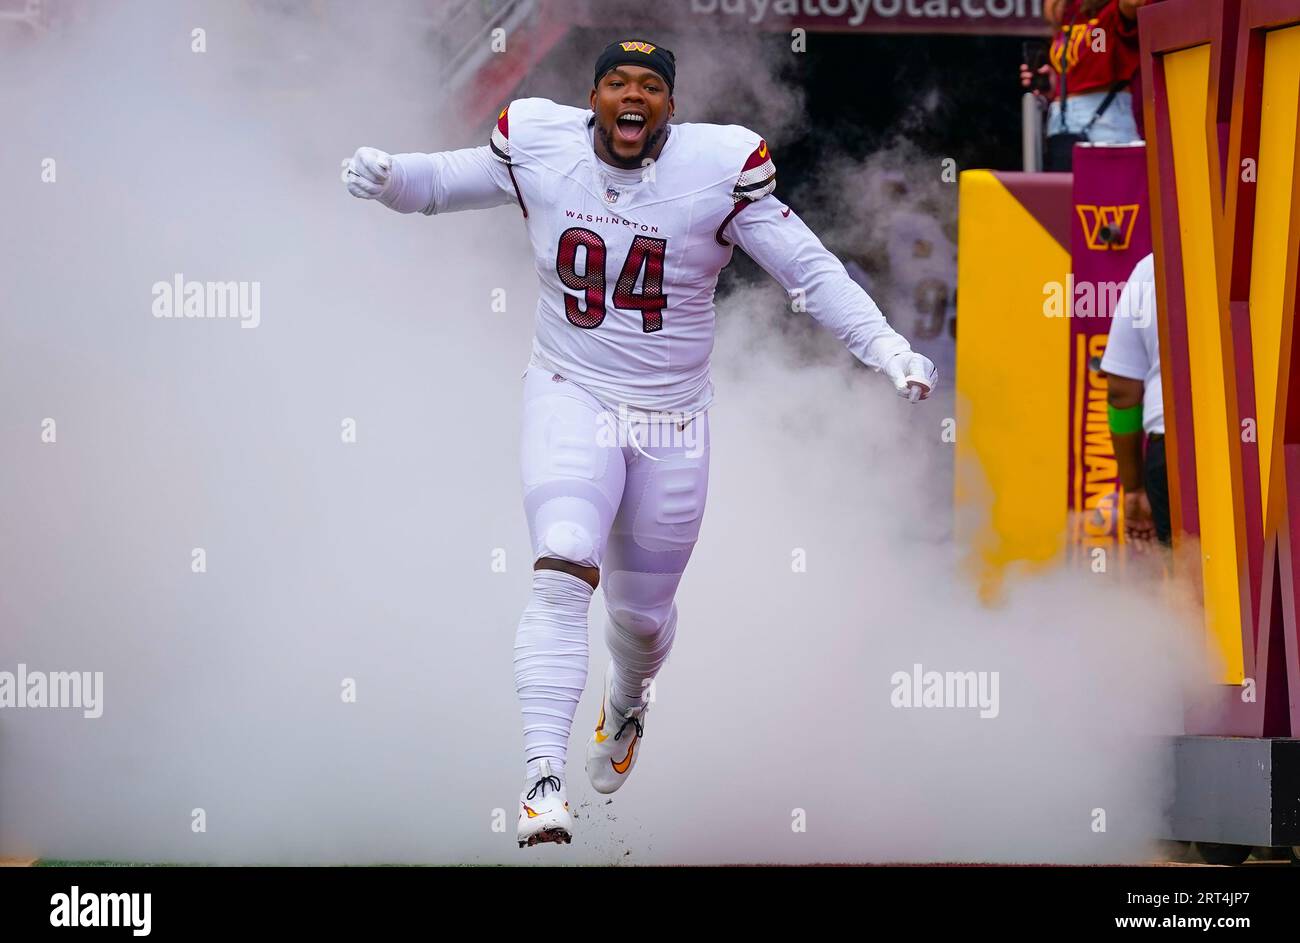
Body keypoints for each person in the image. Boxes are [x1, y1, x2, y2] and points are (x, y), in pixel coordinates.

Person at [343, 39, 937, 848]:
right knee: (560, 563)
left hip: (670, 421)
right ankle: (541, 781)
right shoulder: (540, 143)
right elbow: (446, 183)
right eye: (617, 82)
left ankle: (626, 703)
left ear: (669, 105)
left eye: (650, 86)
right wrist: (391, 181)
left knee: (643, 620)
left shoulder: (716, 169)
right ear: (592, 98)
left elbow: (809, 270)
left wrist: (884, 346)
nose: (633, 96)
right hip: (570, 392)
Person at [1019, 0, 1152, 169]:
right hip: (1061, 123)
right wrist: (1057, 85)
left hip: (1105, 120)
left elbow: (1134, 3)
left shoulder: (1109, 14)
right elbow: (1092, 61)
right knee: (1064, 193)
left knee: (1108, 192)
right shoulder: (1070, 15)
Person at [1100, 253, 1168, 548]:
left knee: (1193, 585)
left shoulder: (1151, 268)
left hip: (1170, 448)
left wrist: (1135, 487)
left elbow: (1121, 391)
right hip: (1270, 439)